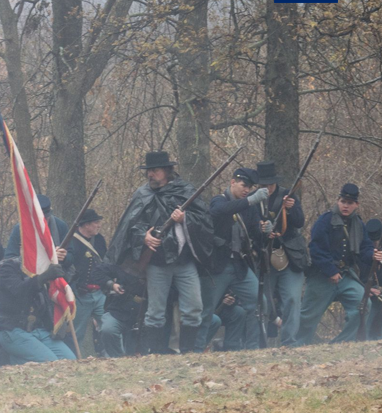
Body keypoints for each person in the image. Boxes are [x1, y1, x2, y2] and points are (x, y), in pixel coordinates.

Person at [107, 151, 212, 354]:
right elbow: (132, 226)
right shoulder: (142, 194)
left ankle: (189, 354)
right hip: (156, 261)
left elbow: (204, 222)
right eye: (149, 171)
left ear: (166, 171)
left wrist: (184, 219)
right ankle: (154, 354)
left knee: (194, 308)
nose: (150, 175)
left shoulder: (185, 191)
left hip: (184, 261)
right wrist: (143, 237)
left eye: (154, 171)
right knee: (155, 312)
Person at [296, 184, 378, 345]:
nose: (345, 206)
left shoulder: (358, 224)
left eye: (349, 203)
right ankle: (296, 347)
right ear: (338, 201)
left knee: (363, 305)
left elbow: (365, 247)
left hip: (345, 275)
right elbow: (316, 249)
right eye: (343, 201)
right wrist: (330, 270)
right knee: (307, 317)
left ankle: (341, 344)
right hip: (322, 276)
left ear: (356, 205)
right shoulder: (325, 221)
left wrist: (373, 255)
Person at [199, 168, 267, 352]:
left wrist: (264, 230)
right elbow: (220, 210)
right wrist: (250, 200)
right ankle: (195, 350)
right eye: (244, 185)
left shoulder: (249, 208)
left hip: (240, 266)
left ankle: (253, 347)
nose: (247, 190)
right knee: (207, 311)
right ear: (232, 182)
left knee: (258, 302)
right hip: (218, 267)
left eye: (250, 187)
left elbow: (254, 234)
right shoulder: (219, 200)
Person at [254, 161, 309, 347]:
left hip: (289, 256)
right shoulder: (252, 199)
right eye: (263, 184)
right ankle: (260, 342)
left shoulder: (288, 196)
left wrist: (291, 208)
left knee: (293, 299)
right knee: (264, 303)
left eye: (270, 184)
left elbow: (299, 222)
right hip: (263, 259)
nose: (267, 187)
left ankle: (289, 342)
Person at [0, 259, 75, 363]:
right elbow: (19, 290)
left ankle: (18, 360)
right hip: (12, 329)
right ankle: (14, 362)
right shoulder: (8, 267)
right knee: (51, 363)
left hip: (38, 329)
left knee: (70, 361)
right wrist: (43, 277)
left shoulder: (42, 267)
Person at [65, 208, 111, 354]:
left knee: (110, 327)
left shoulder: (99, 240)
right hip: (80, 295)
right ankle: (72, 361)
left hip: (99, 293)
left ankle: (115, 356)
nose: (99, 225)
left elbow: (106, 263)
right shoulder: (71, 241)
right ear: (85, 225)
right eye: (96, 222)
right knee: (76, 333)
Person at [4, 194, 70, 267]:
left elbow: (71, 256)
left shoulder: (61, 226)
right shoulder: (19, 229)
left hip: (56, 275)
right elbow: (9, 259)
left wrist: (63, 257)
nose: (43, 223)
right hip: (27, 276)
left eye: (46, 219)